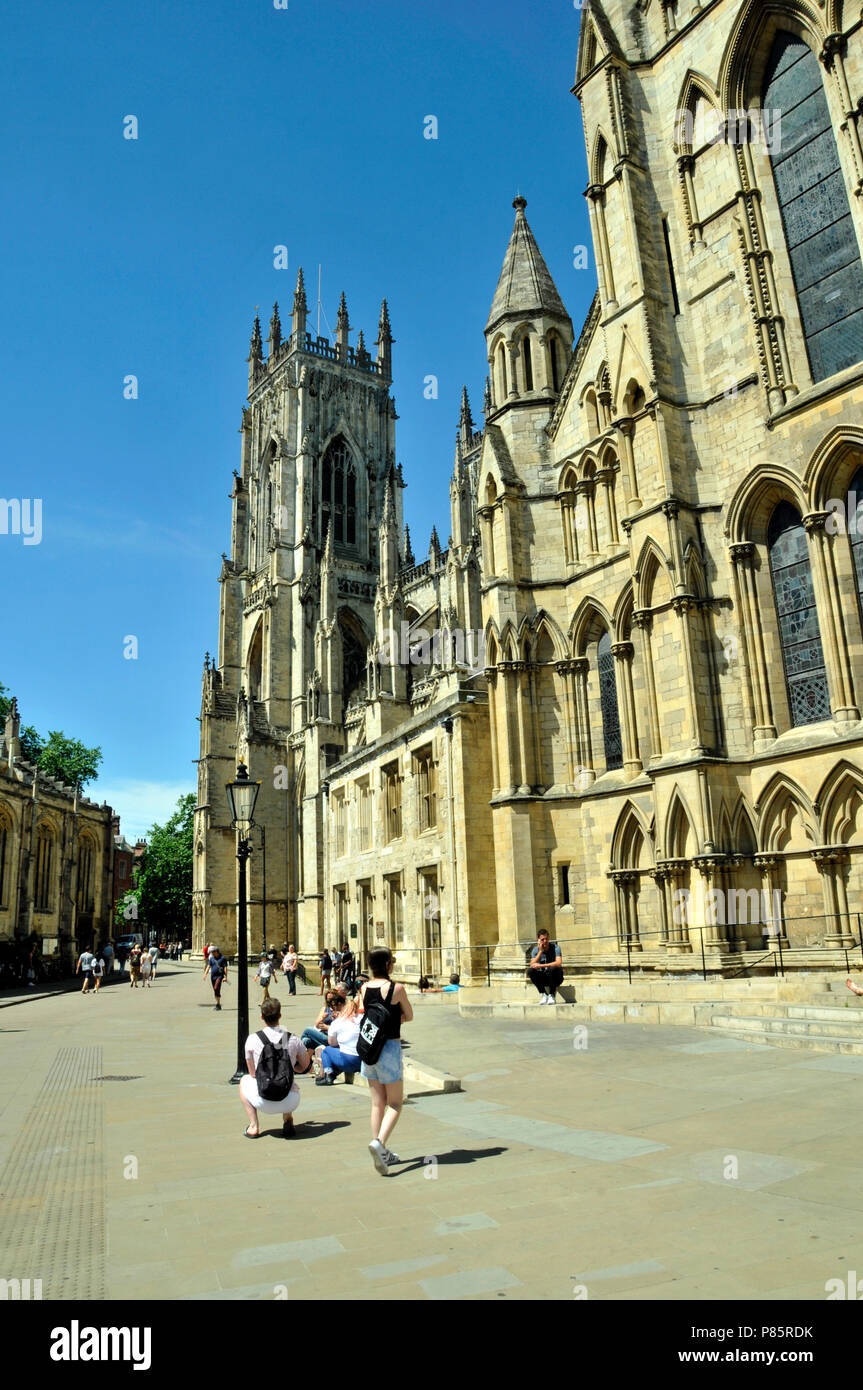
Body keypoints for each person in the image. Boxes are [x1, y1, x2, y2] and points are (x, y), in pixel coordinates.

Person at [359, 947, 413, 1174]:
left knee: (376, 1103)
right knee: (395, 1103)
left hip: (369, 1048)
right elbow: (409, 1016)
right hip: (389, 1047)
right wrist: (396, 1015)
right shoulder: (396, 988)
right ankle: (379, 1143)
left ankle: (380, 1150)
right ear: (388, 964)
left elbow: (366, 1012)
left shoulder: (363, 988)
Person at [240, 997, 312, 1137]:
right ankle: (287, 1118)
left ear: (261, 1017)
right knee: (287, 1076)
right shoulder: (292, 1039)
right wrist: (293, 1068)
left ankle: (254, 1126)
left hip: (263, 1100)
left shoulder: (252, 1039)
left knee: (244, 1080)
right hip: (290, 1100)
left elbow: (253, 1073)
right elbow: (306, 1066)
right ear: (280, 1015)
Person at [314, 994, 362, 1085]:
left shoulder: (337, 1022)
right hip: (363, 1060)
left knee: (327, 1051)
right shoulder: (362, 1019)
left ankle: (328, 1075)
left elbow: (331, 1043)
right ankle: (333, 1073)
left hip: (349, 1061)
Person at [529, 931, 563, 1004]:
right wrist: (540, 951)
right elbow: (532, 964)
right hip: (544, 978)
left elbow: (558, 963)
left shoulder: (556, 948)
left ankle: (551, 994)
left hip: (556, 978)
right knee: (530, 971)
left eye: (546, 939)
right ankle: (544, 994)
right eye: (542, 939)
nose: (545, 941)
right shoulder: (535, 950)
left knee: (552, 968)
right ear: (538, 940)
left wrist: (541, 965)